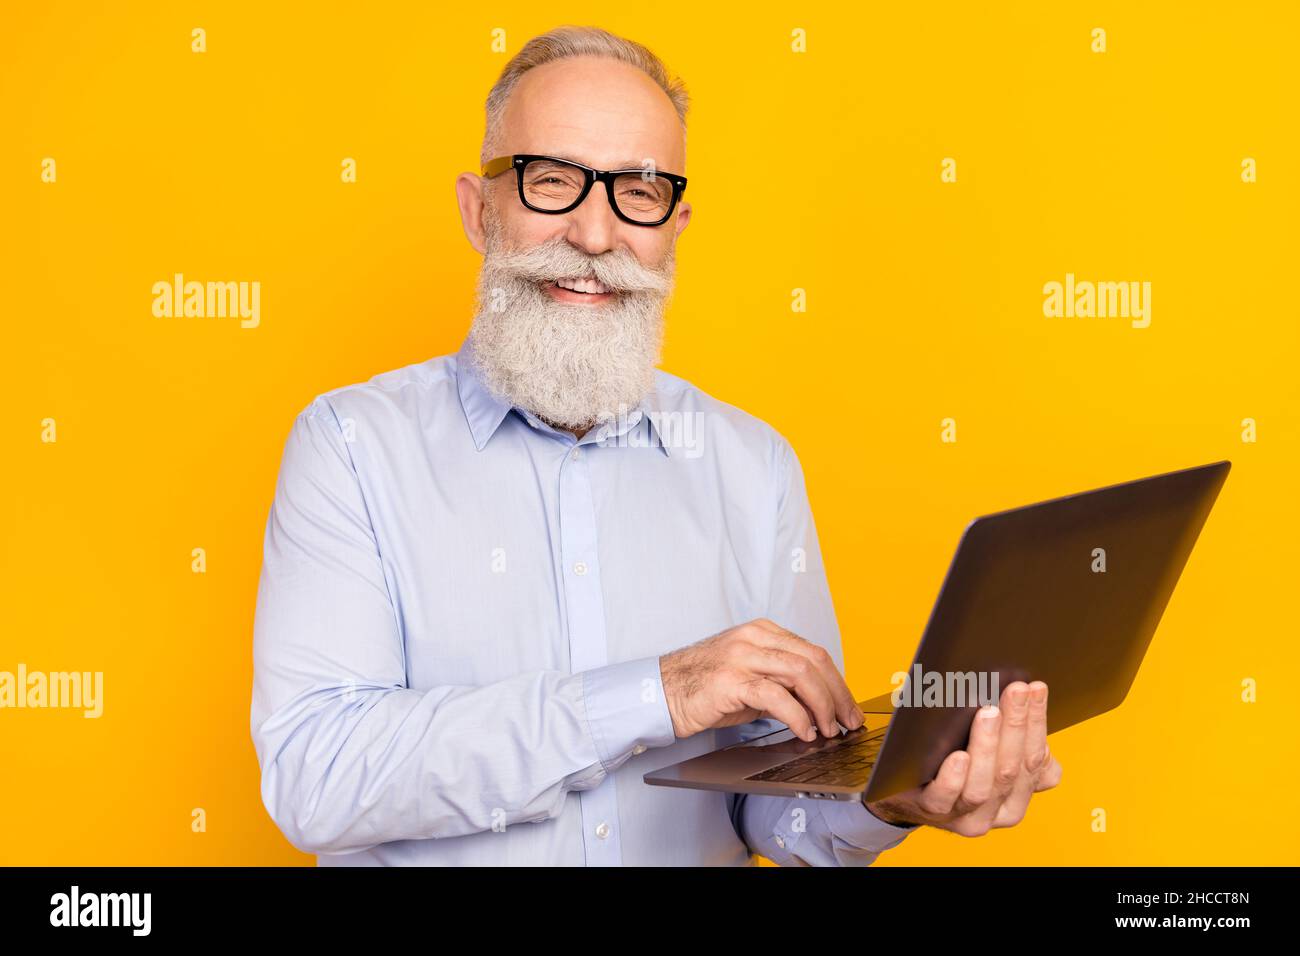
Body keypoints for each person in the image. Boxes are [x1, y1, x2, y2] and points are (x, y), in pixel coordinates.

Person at [250, 25, 1062, 866]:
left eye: (637, 191)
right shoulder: (351, 445)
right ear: (478, 208)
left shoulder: (753, 468)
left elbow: (777, 814)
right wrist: (659, 693)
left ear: (675, 225)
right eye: (553, 181)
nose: (596, 237)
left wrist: (899, 798)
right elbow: (319, 776)